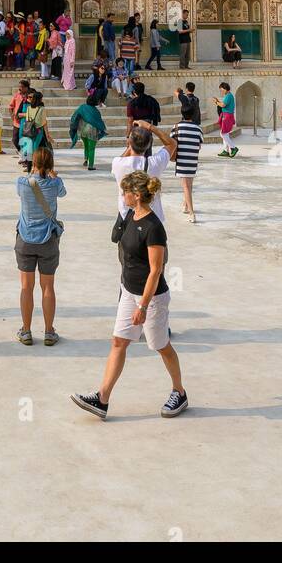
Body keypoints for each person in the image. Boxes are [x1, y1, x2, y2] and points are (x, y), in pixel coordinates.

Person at [71, 168, 188, 421]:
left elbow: (156, 270)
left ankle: (179, 392)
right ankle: (102, 399)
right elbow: (118, 242)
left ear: (136, 194)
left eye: (125, 191)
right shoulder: (130, 216)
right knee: (118, 342)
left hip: (152, 299)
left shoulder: (153, 227)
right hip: (128, 291)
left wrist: (143, 306)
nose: (121, 195)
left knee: (161, 346)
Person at [15, 144, 65, 346]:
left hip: (25, 239)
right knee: (48, 288)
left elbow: (22, 188)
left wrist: (34, 171)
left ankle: (26, 331)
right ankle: (49, 331)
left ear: (32, 163)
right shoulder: (55, 184)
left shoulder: (22, 183)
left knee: (26, 287)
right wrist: (53, 174)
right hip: (48, 241)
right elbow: (62, 193)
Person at [110, 121, 168, 222]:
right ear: (149, 144)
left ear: (130, 142)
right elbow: (171, 143)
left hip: (127, 216)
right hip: (152, 217)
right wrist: (150, 127)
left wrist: (131, 145)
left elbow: (122, 158)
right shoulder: (155, 162)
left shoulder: (118, 163)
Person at [69, 98, 106, 170]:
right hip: (92, 131)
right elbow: (99, 122)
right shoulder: (96, 111)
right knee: (91, 148)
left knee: (86, 145)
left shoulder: (82, 107)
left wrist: (74, 126)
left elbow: (75, 116)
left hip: (82, 130)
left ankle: (86, 160)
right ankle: (91, 166)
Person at [215, 82, 238, 157]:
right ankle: (226, 150)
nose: (221, 91)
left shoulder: (228, 96)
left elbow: (223, 105)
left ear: (225, 89)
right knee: (225, 133)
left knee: (223, 133)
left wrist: (216, 102)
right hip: (226, 115)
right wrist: (218, 102)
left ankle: (233, 148)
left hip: (227, 116)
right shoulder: (228, 95)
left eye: (221, 90)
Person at [8, 79, 31, 154]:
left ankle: (25, 156)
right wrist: (12, 116)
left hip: (26, 122)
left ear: (26, 88)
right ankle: (21, 152)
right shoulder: (17, 95)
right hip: (17, 122)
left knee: (25, 140)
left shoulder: (30, 96)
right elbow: (10, 107)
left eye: (21, 87)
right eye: (19, 87)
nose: (20, 88)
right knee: (15, 140)